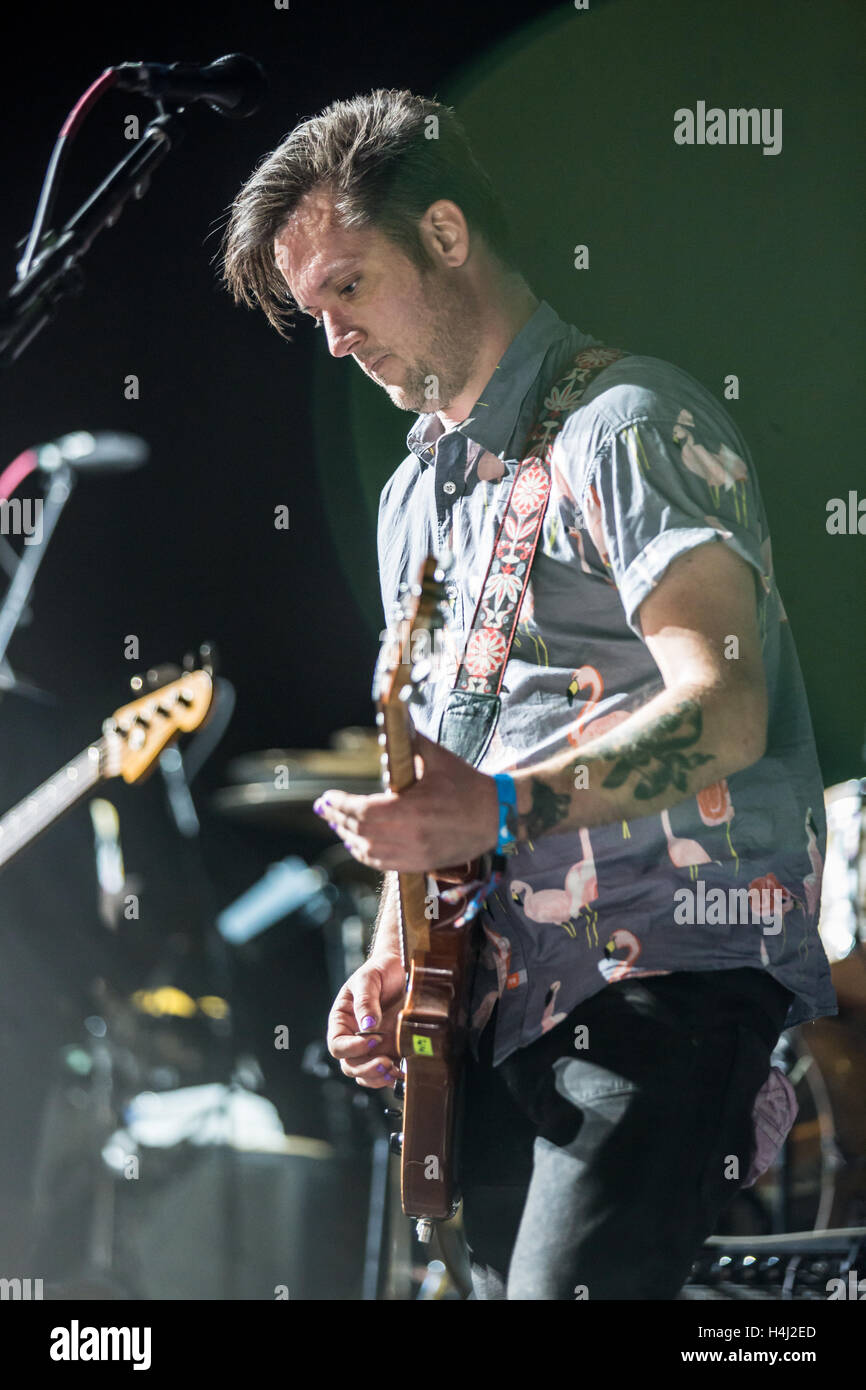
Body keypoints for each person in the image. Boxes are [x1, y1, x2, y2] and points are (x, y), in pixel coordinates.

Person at [222, 89, 836, 1299]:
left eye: (348, 285)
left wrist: (502, 809)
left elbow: (724, 707)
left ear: (445, 235)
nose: (332, 337)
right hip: (496, 1023)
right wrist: (403, 952)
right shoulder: (415, 504)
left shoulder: (629, 419)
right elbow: (446, 761)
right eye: (312, 312)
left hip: (663, 976)